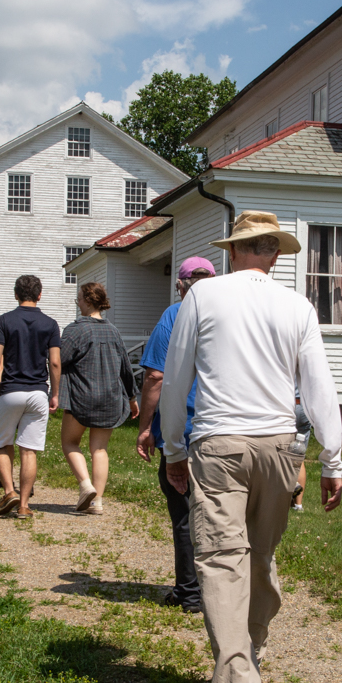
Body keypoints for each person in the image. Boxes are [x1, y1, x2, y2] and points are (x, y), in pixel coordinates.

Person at [161, 211, 342, 683]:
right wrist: (331, 459)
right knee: (257, 559)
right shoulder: (297, 305)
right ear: (274, 252)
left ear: (236, 250)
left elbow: (178, 377)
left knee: (222, 562)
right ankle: (247, 653)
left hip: (218, 444)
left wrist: (173, 446)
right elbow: (318, 385)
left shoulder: (203, 297)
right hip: (277, 447)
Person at [136, 256, 215, 613]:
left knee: (184, 513)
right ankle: (223, 589)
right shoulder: (227, 313)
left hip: (181, 429)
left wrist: (146, 428)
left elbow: (154, 378)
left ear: (180, 286)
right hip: (223, 429)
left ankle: (190, 592)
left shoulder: (174, 315)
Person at [0, 274, 61, 518]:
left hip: (10, 391)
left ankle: (9, 491)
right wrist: (55, 394)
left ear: (16, 294)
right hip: (38, 392)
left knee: (1, 443)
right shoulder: (50, 324)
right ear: (40, 295)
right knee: (29, 450)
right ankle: (25, 505)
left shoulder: (5, 320)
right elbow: (56, 362)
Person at [60, 282, 139, 515]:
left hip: (81, 398)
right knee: (100, 449)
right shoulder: (113, 331)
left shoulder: (75, 330)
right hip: (110, 398)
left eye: (79, 299)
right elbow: (126, 368)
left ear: (86, 300)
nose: (78, 303)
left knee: (69, 442)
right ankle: (97, 503)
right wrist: (133, 398)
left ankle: (85, 486)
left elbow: (59, 359)